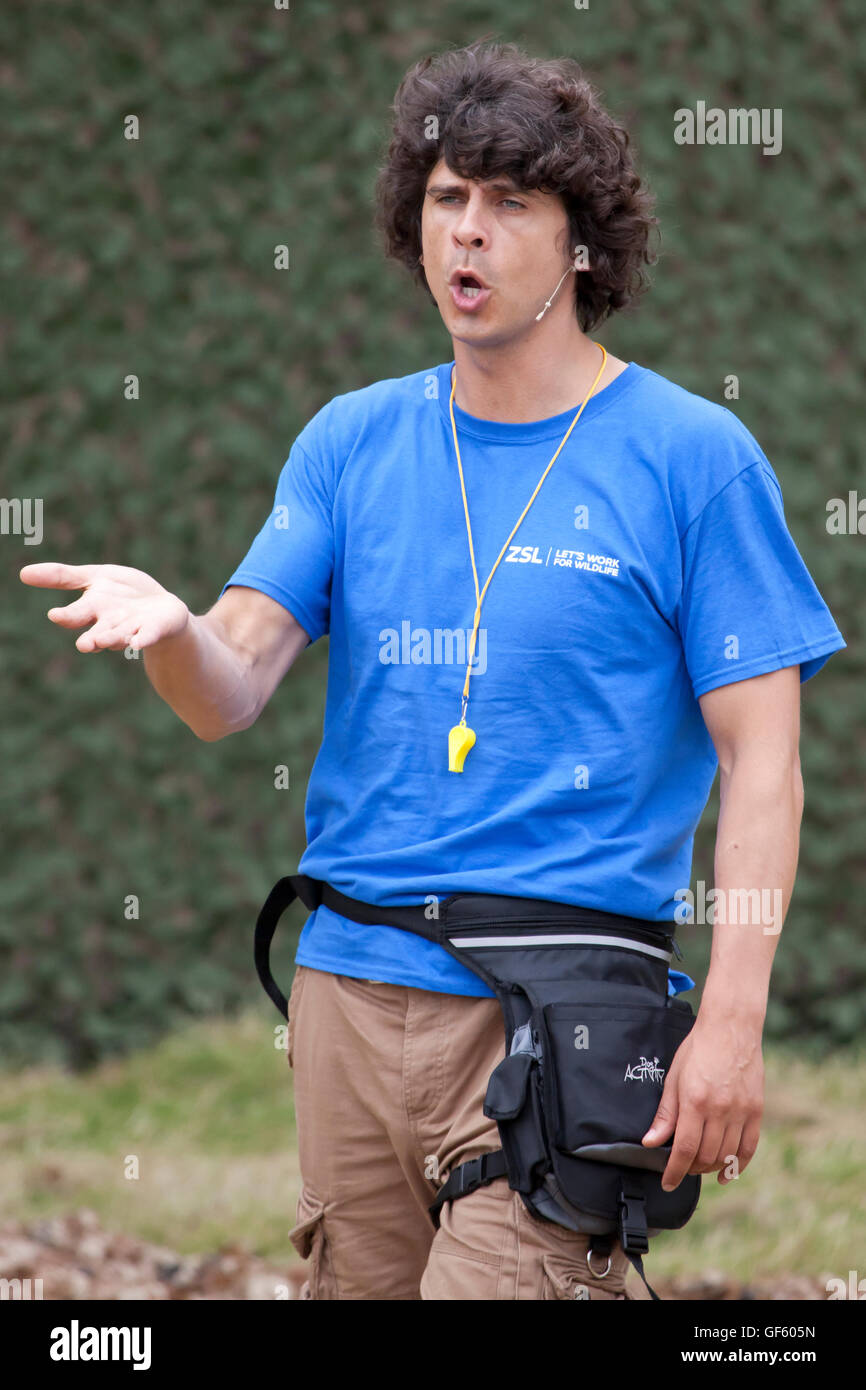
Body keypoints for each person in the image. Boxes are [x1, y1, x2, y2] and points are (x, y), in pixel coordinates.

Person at [21, 39, 846, 1301]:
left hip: (557, 1012)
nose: (466, 230)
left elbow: (763, 763)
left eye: (509, 202)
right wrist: (176, 630)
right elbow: (228, 689)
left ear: (581, 244)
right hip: (347, 998)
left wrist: (731, 1022)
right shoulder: (350, 441)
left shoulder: (693, 458)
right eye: (446, 196)